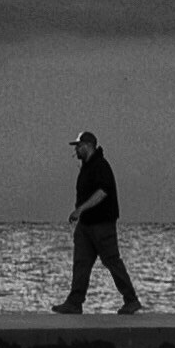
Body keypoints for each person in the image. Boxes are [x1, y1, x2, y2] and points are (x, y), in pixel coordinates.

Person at [55, 129, 141, 313]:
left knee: (111, 261)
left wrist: (80, 209)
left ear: (88, 146)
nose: (76, 151)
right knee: (81, 263)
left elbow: (103, 192)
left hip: (102, 224)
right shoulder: (87, 167)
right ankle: (74, 302)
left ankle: (131, 299)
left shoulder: (101, 166)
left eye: (78, 146)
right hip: (86, 225)